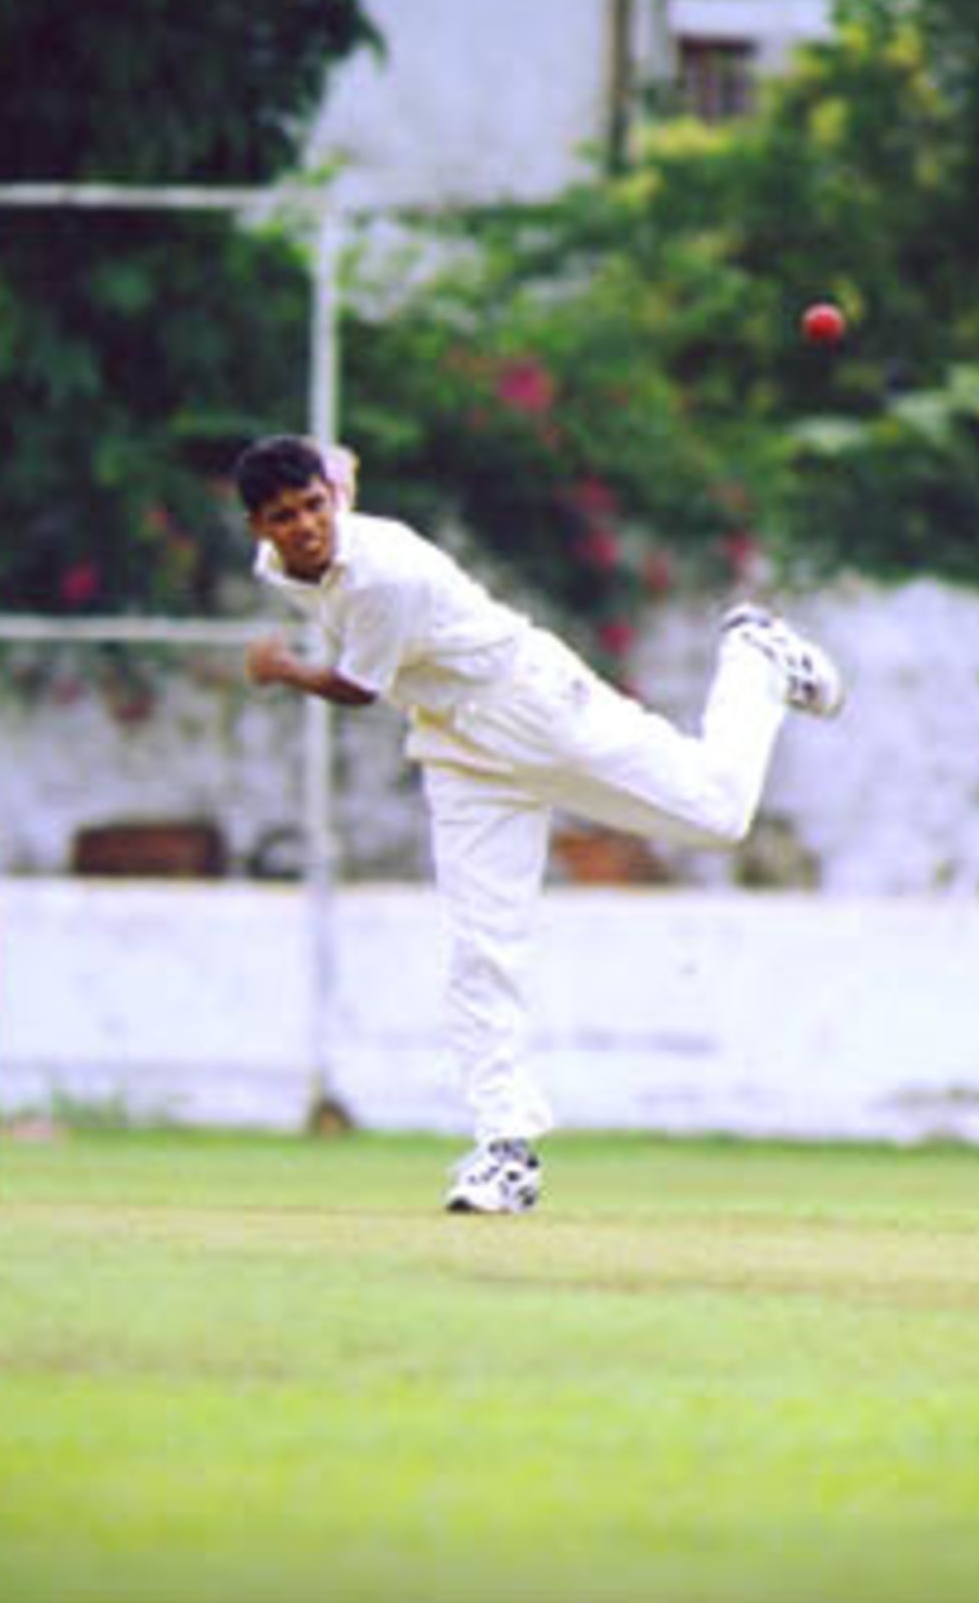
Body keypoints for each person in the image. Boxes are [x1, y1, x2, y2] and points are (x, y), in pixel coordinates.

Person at [237, 433, 844, 1215]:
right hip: (455, 744)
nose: (307, 527)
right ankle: (503, 1151)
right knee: (480, 947)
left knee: (719, 814)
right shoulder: (286, 550)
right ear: (260, 528)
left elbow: (356, 689)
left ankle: (756, 659)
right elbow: (342, 470)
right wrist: (333, 465)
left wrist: (280, 668)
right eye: (285, 516)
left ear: (331, 502)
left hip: (528, 701)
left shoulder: (383, 572)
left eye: (314, 506)